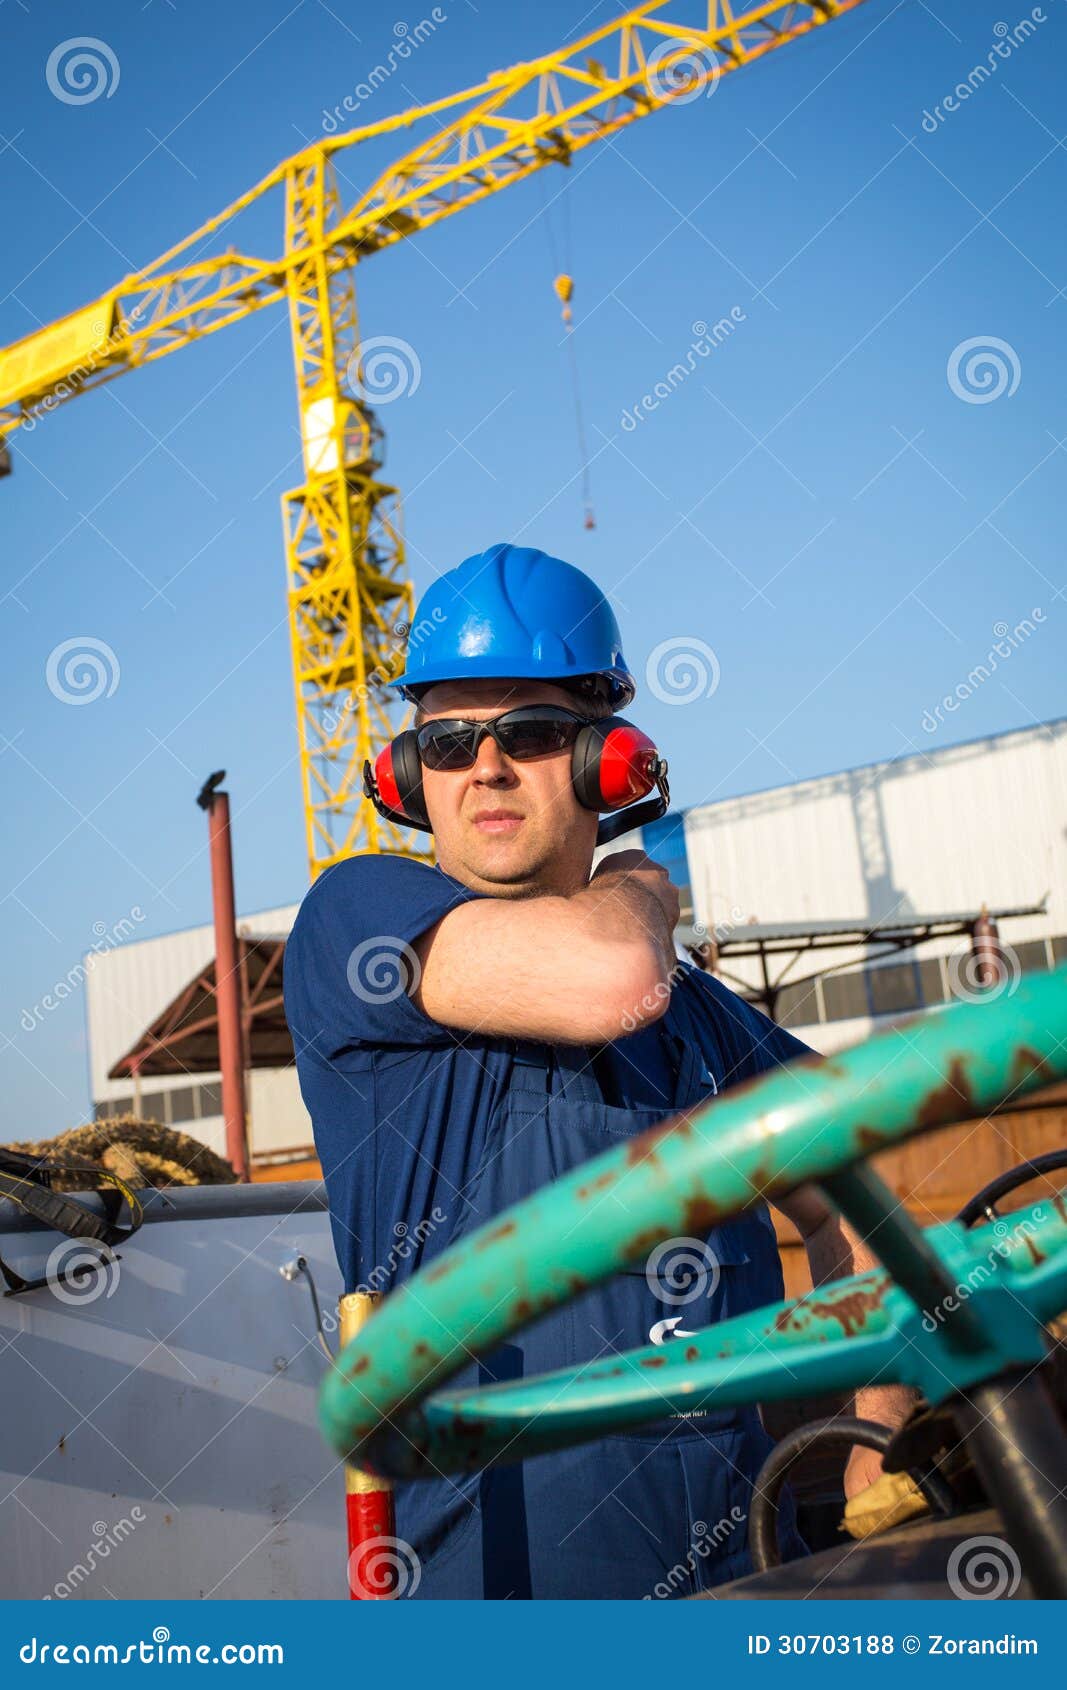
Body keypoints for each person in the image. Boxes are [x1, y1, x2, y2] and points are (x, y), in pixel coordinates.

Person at [283, 541, 913, 1600]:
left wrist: (874, 1429)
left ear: (605, 761)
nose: (483, 766)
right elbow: (611, 975)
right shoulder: (358, 922)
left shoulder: (705, 1024)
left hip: (740, 1579)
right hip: (491, 1606)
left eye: (526, 733)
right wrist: (643, 889)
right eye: (446, 741)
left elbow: (859, 1204)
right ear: (406, 778)